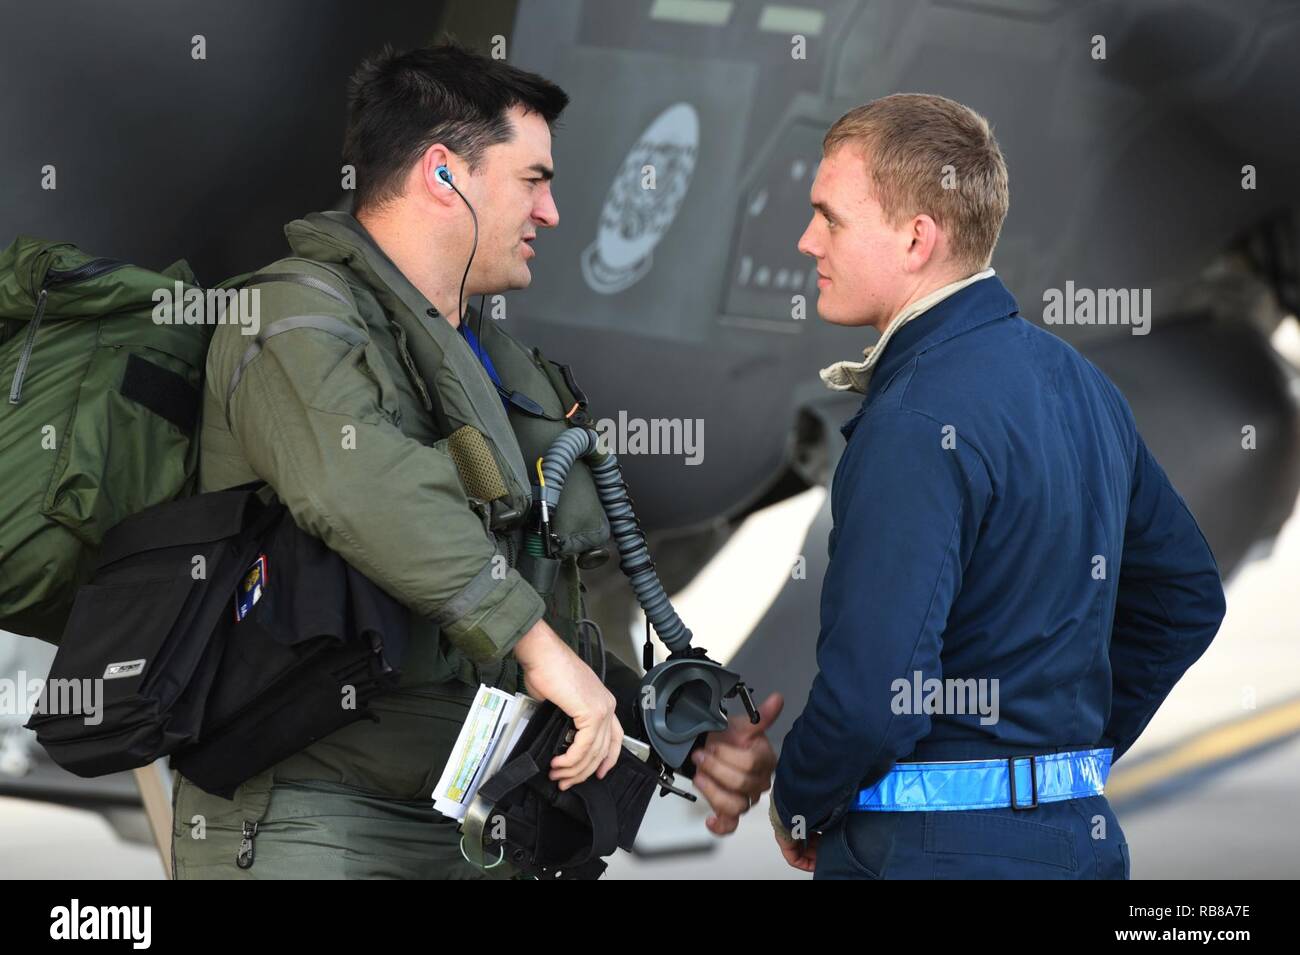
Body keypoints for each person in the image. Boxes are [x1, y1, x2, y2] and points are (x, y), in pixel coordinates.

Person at [172, 43, 778, 879]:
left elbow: (529, 600)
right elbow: (356, 485)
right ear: (442, 174)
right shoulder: (286, 317)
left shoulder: (496, 368)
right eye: (533, 180)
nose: (554, 212)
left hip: (469, 828)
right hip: (314, 825)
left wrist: (680, 728)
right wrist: (537, 646)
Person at [769, 93, 1226, 879]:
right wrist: (1050, 770)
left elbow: (873, 699)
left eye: (830, 217)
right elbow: (1185, 596)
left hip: (930, 856)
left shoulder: (913, 419)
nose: (808, 240)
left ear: (916, 239)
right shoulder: (1082, 386)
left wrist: (797, 797)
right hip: (1080, 844)